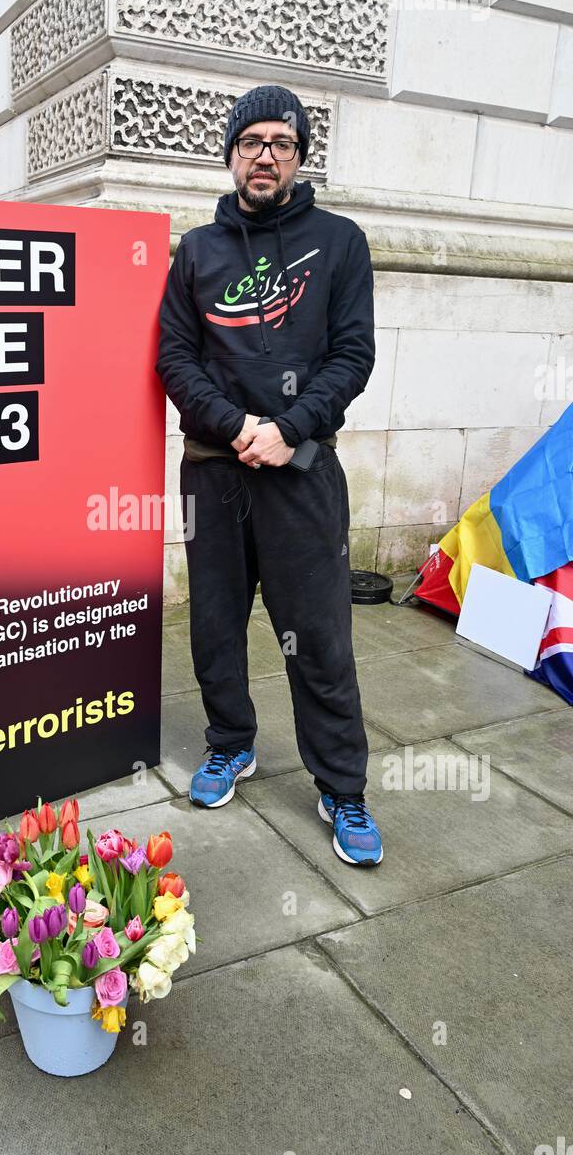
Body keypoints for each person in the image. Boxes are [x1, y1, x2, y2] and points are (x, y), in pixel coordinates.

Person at [155, 84, 383, 867]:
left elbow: (353, 355)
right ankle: (230, 745)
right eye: (250, 142)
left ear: (299, 156)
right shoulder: (197, 251)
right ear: (229, 153)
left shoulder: (341, 242)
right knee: (216, 624)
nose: (265, 156)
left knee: (318, 637)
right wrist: (239, 427)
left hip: (302, 473)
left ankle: (342, 787)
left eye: (281, 143)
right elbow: (174, 358)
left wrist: (289, 430)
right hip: (214, 472)